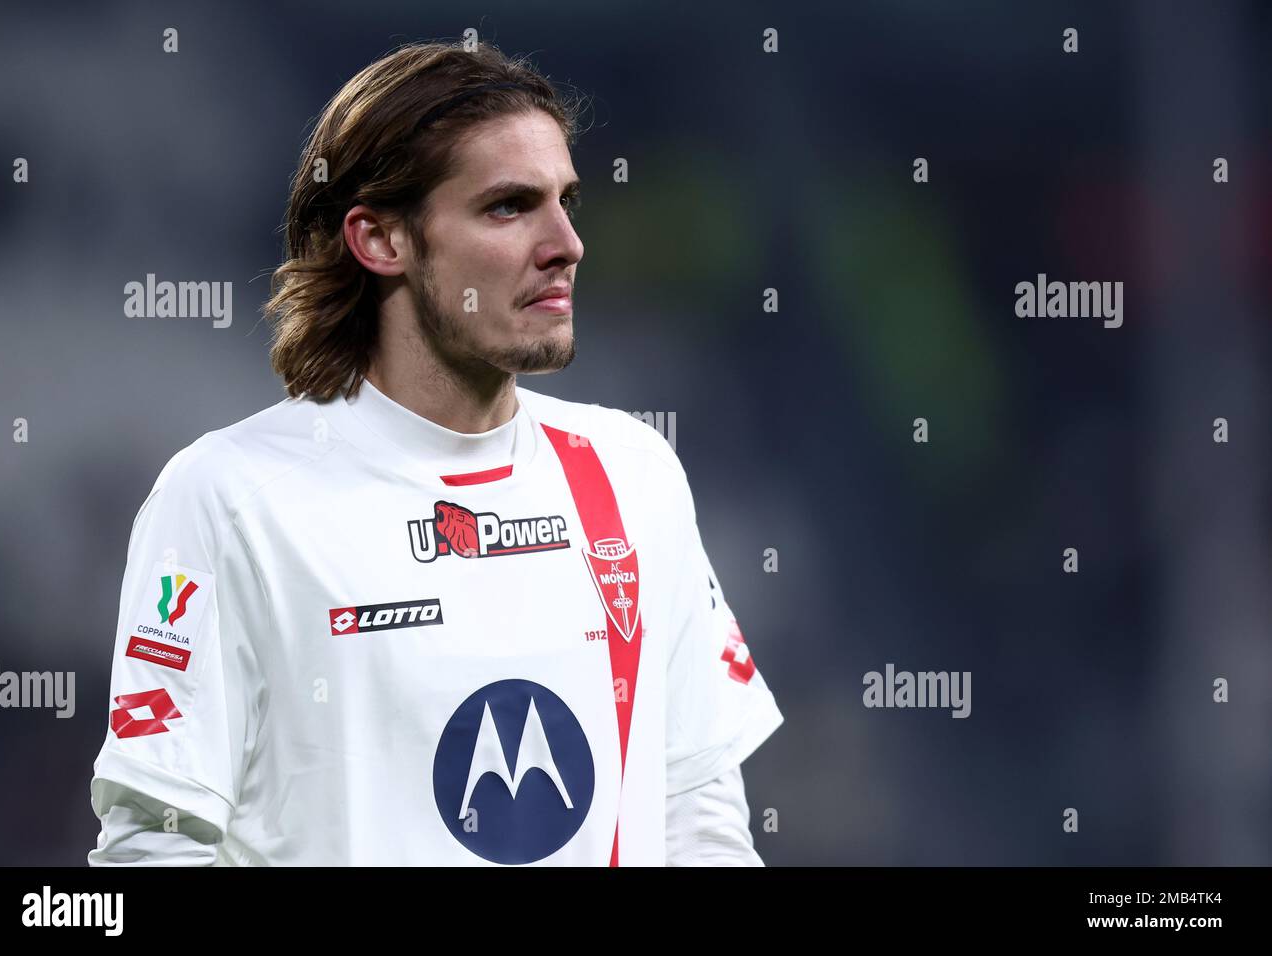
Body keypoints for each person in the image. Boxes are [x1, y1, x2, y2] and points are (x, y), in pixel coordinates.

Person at [88, 40, 783, 866]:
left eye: (568, 201)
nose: (566, 243)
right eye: (508, 207)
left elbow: (698, 816)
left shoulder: (634, 472)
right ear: (381, 240)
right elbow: (157, 844)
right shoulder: (230, 499)